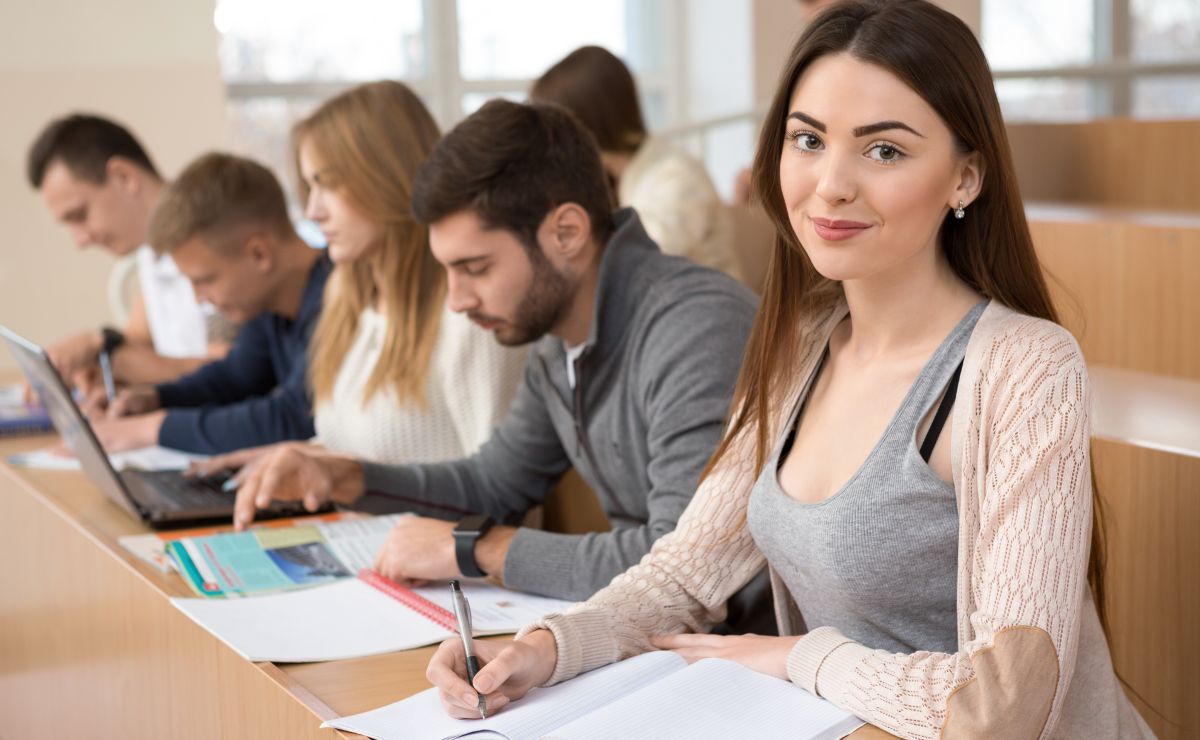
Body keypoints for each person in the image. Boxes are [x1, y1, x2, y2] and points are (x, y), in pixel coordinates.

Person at [423, 2, 1153, 738]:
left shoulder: (1026, 368)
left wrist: (802, 658)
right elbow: (685, 573)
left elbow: (1006, 705)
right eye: (808, 140)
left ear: (965, 177)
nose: (830, 184)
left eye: (885, 150)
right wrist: (544, 649)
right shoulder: (800, 346)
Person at [218, 101, 767, 620]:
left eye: (476, 268)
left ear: (567, 233)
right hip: (662, 635)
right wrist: (346, 477)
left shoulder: (694, 326)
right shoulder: (560, 332)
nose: (456, 300)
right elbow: (495, 483)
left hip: (751, 659)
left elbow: (681, 563)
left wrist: (482, 548)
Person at [190, 81, 526, 472]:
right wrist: (296, 458)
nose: (314, 210)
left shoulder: (469, 316)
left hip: (421, 535)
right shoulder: (347, 297)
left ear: (385, 178)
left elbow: (504, 493)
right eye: (310, 185)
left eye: (327, 184)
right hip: (349, 528)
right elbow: (360, 451)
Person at [89, 152, 331, 455]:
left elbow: (294, 417)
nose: (197, 298)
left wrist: (152, 428)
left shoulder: (338, 299)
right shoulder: (270, 305)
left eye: (204, 280)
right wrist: (155, 399)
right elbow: (233, 378)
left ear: (259, 254)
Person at [26, 114, 230, 392]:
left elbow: (239, 371)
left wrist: (111, 352)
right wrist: (96, 354)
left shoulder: (217, 235)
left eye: (80, 215)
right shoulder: (152, 250)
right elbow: (135, 338)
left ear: (125, 177)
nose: (80, 240)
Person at [531, 46, 742, 283]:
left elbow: (639, 265)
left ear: (588, 121)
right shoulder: (621, 178)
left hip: (705, 311)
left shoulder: (676, 177)